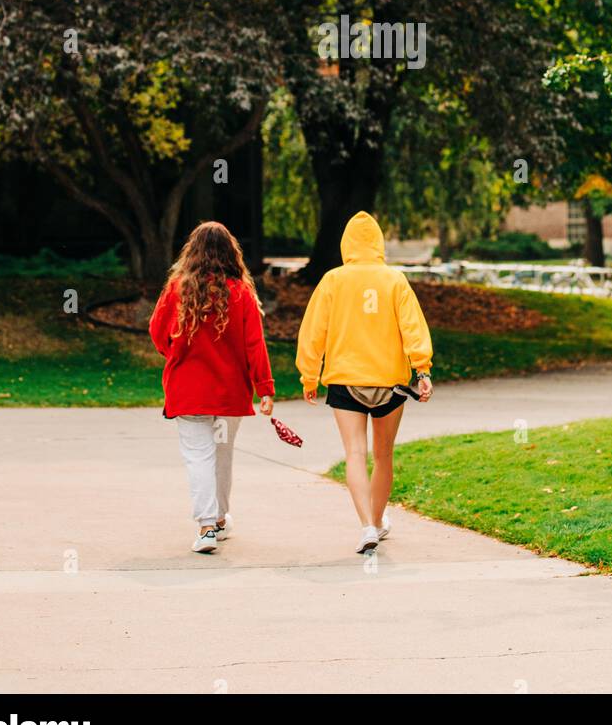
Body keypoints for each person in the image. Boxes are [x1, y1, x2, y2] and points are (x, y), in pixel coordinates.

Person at [296, 211, 433, 553]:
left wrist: (309, 374)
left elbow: (314, 331)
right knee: (383, 456)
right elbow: (412, 327)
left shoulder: (332, 280)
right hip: (390, 382)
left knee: (355, 453)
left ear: (346, 244)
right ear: (378, 242)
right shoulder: (395, 280)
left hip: (346, 380)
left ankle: (367, 526)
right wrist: (423, 369)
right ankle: (377, 519)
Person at [149, 221, 275, 553]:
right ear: (231, 253)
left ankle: (207, 527)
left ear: (192, 252)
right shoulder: (241, 291)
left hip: (187, 389)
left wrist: (174, 352)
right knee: (222, 455)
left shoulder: (178, 288)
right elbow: (254, 344)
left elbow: (157, 331)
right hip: (228, 391)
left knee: (198, 458)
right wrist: (264, 387)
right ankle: (219, 519)